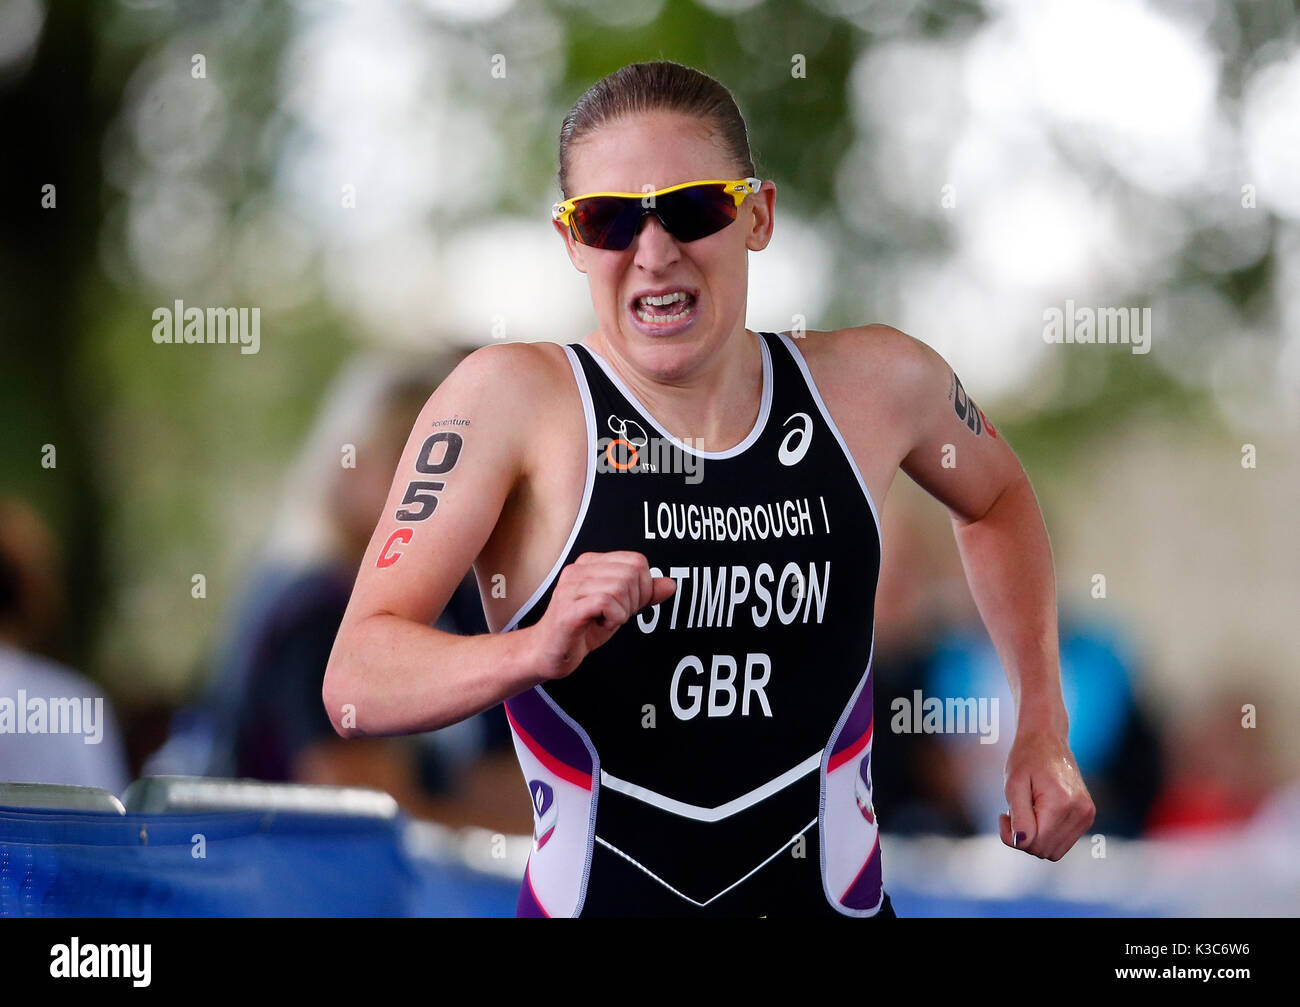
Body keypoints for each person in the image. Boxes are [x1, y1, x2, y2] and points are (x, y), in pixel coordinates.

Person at [323, 60, 1094, 917]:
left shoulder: (878, 385)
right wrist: (531, 649)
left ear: (755, 214)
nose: (654, 253)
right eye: (610, 221)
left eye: (693, 207)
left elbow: (997, 498)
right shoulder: (510, 402)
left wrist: (1041, 723)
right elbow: (357, 676)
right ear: (573, 241)